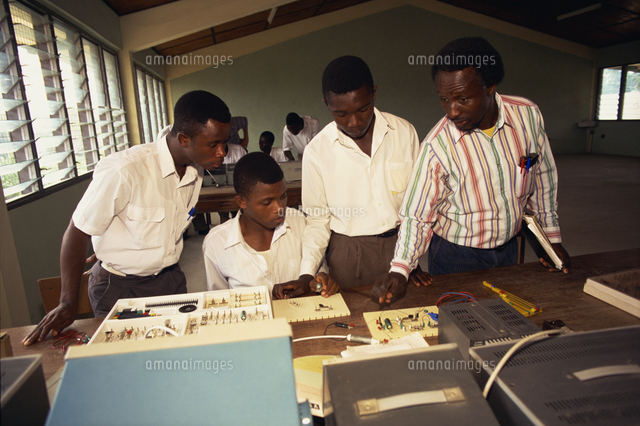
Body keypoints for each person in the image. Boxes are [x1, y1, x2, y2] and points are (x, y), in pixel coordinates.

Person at [373, 37, 571, 304]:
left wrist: (551, 236)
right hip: (457, 255)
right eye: (444, 99)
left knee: (507, 319)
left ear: (490, 87)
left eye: (462, 98)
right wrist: (401, 268)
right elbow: (416, 215)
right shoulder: (437, 145)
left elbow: (543, 176)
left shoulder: (528, 116)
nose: (452, 111)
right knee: (461, 325)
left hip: (510, 247)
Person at [23, 90, 231, 344]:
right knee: (127, 368)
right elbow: (77, 231)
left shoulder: (194, 170)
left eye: (224, 143)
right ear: (184, 138)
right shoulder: (125, 170)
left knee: (178, 356)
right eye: (213, 144)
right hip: (121, 288)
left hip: (170, 279)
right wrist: (67, 301)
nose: (222, 152)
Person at [300, 55, 432, 292]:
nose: (353, 122)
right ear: (326, 105)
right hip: (349, 254)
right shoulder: (317, 152)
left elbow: (416, 208)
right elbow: (317, 221)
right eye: (341, 114)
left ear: (374, 93)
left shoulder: (404, 132)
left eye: (363, 109)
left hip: (399, 248)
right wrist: (306, 273)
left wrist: (409, 261)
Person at [203, 152, 339, 299]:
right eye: (267, 203)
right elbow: (219, 302)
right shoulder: (216, 244)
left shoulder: (299, 222)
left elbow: (317, 271)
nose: (279, 208)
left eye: (283, 196)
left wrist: (320, 281)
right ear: (242, 202)